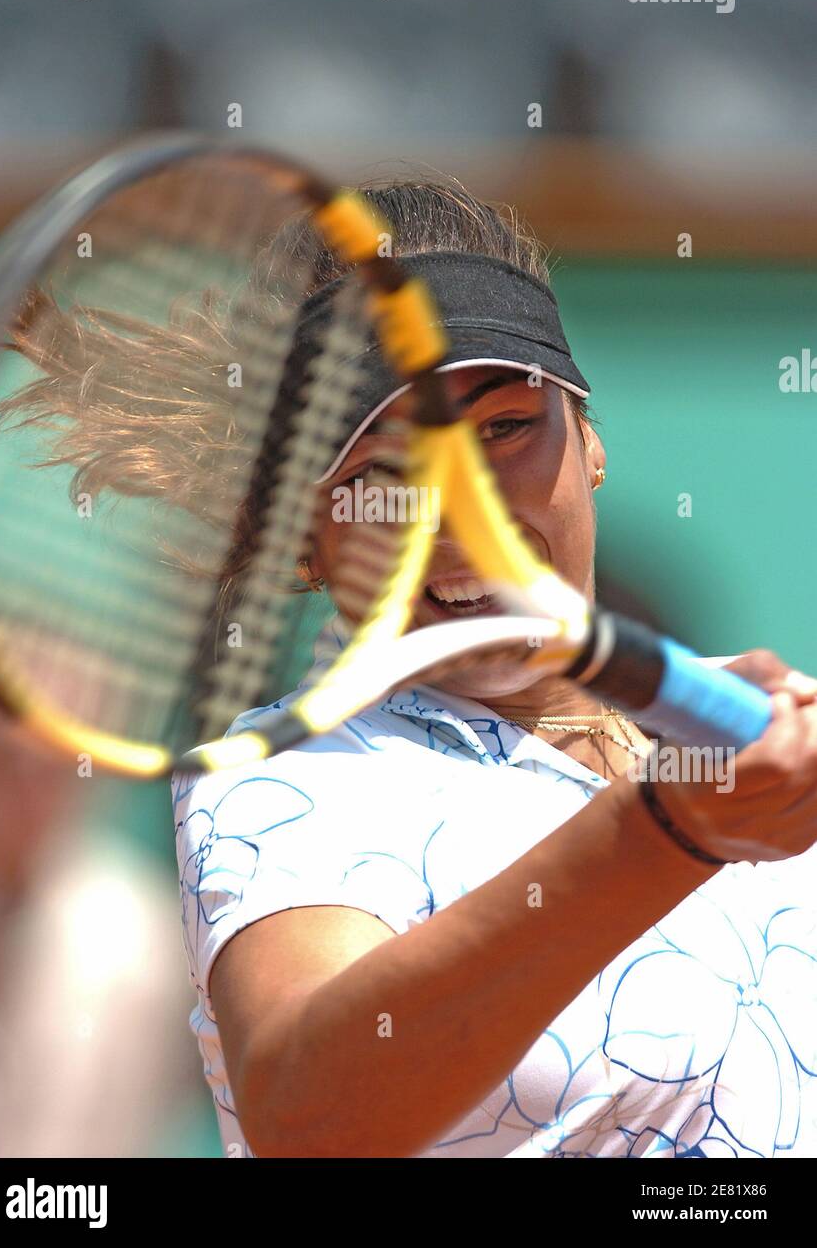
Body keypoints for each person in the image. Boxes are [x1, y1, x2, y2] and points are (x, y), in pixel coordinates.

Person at [171, 180, 817, 1159]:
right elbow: (311, 1117)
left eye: (506, 430)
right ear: (302, 540)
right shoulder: (285, 778)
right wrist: (667, 827)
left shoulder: (755, 759)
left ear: (589, 439)